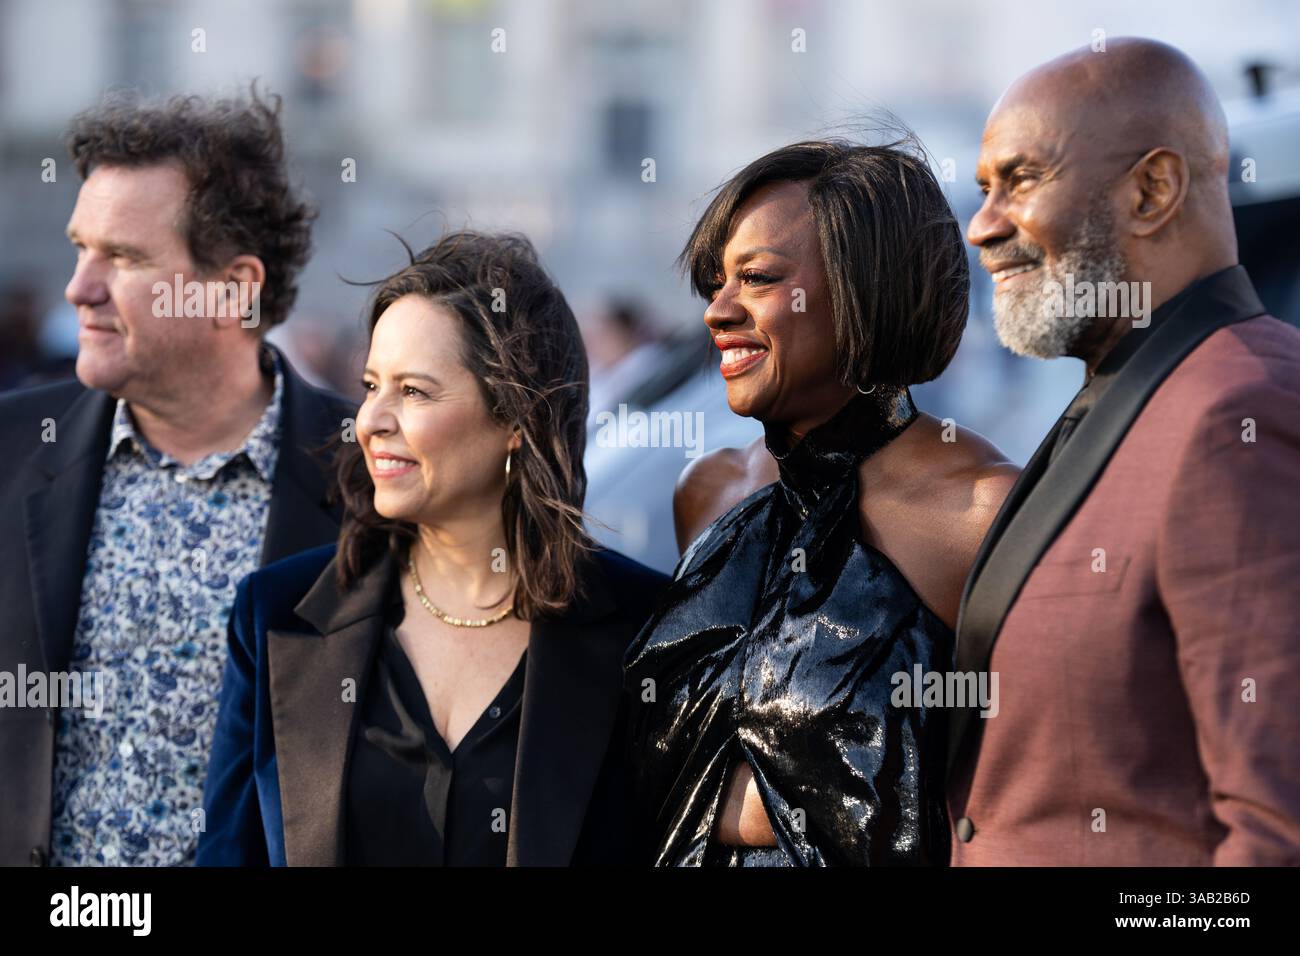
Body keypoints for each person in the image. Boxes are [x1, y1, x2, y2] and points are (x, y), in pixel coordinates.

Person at [197, 232, 668, 866]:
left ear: (515, 420)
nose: (370, 420)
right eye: (370, 386)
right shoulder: (278, 614)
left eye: (413, 392)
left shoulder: (644, 631)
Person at [949, 37, 1300, 865]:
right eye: (983, 190)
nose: (982, 227)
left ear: (1152, 189)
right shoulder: (1134, 390)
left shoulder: (1239, 415)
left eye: (1021, 179)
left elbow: (1278, 830)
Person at [624, 137, 1019, 866]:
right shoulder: (710, 494)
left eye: (759, 279)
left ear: (867, 288)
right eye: (716, 283)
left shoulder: (982, 516)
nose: (717, 311)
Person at [0, 87, 353, 867]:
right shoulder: (12, 449)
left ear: (232, 287)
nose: (78, 287)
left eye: (122, 258)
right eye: (80, 246)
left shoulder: (370, 477)